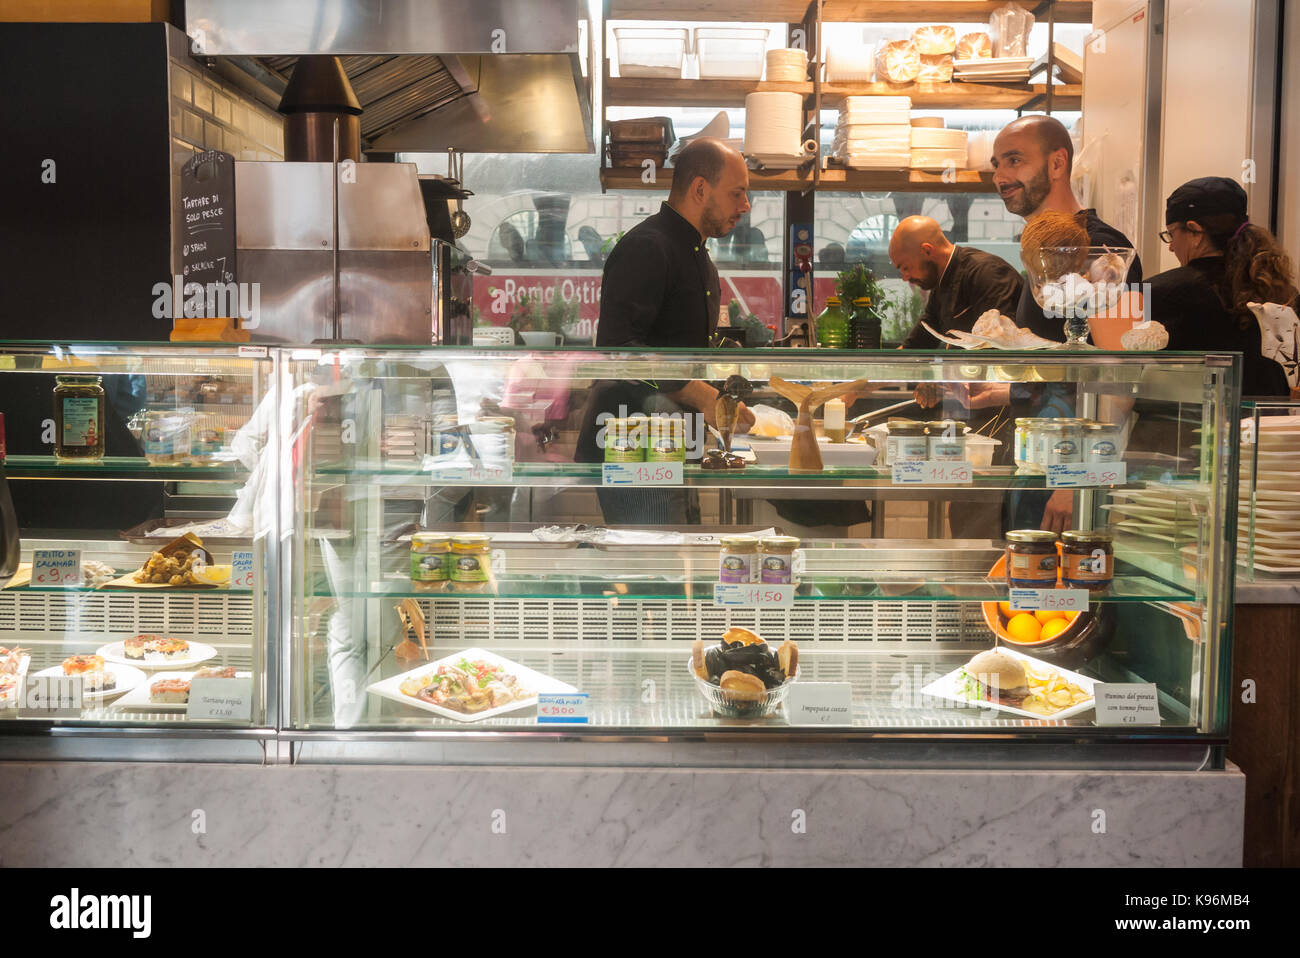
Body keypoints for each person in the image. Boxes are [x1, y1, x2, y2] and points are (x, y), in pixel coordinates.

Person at [577, 138, 756, 524]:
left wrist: (721, 399)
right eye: (737, 193)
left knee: (678, 565)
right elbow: (620, 350)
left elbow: (677, 345)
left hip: (673, 440)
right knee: (655, 570)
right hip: (631, 441)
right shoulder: (648, 246)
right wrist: (706, 398)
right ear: (700, 189)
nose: (745, 206)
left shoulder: (697, 256)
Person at [991, 115, 1142, 341]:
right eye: (996, 165)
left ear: (1057, 164)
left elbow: (1118, 363)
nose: (998, 177)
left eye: (1014, 160)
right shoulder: (1044, 245)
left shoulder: (1102, 246)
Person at [1147, 176, 1295, 396]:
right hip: (1266, 426)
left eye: (1171, 234)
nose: (1171, 247)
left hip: (1189, 427)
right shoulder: (1283, 292)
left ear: (1195, 232)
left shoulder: (1161, 293)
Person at [891, 216, 1024, 349]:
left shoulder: (986, 273)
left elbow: (1000, 344)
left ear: (927, 251)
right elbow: (921, 339)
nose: (904, 277)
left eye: (905, 268)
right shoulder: (940, 282)